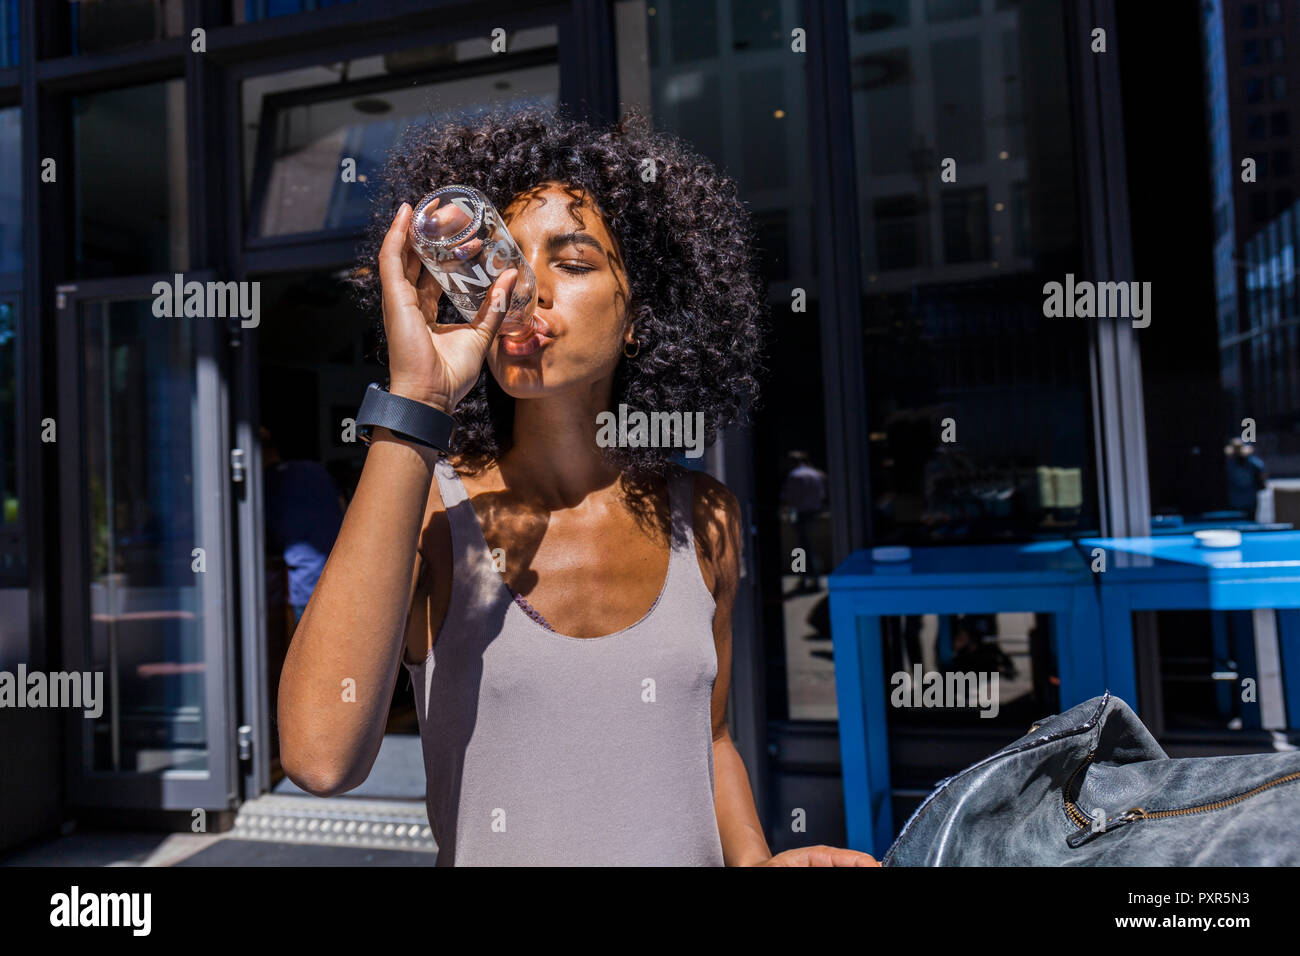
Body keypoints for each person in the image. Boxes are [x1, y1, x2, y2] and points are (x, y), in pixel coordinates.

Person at [276, 104, 878, 866]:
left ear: (640, 316)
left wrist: (759, 862)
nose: (526, 288)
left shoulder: (707, 517)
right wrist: (417, 405)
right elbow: (318, 756)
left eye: (573, 261)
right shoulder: (433, 509)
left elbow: (710, 738)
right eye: (505, 263)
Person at [261, 426, 346, 628]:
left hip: (306, 585)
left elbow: (270, 536)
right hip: (342, 577)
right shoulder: (315, 470)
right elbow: (344, 508)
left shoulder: (265, 484)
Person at [780, 450, 828, 591]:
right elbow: (823, 494)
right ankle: (813, 577)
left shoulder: (795, 476)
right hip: (815, 513)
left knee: (800, 549)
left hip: (800, 513)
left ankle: (803, 577)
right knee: (810, 547)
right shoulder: (817, 474)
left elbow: (787, 496)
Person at [1224, 437, 1267, 521]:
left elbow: (1262, 474)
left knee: (1250, 520)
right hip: (1236, 498)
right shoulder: (1230, 463)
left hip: (1249, 497)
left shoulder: (1252, 462)